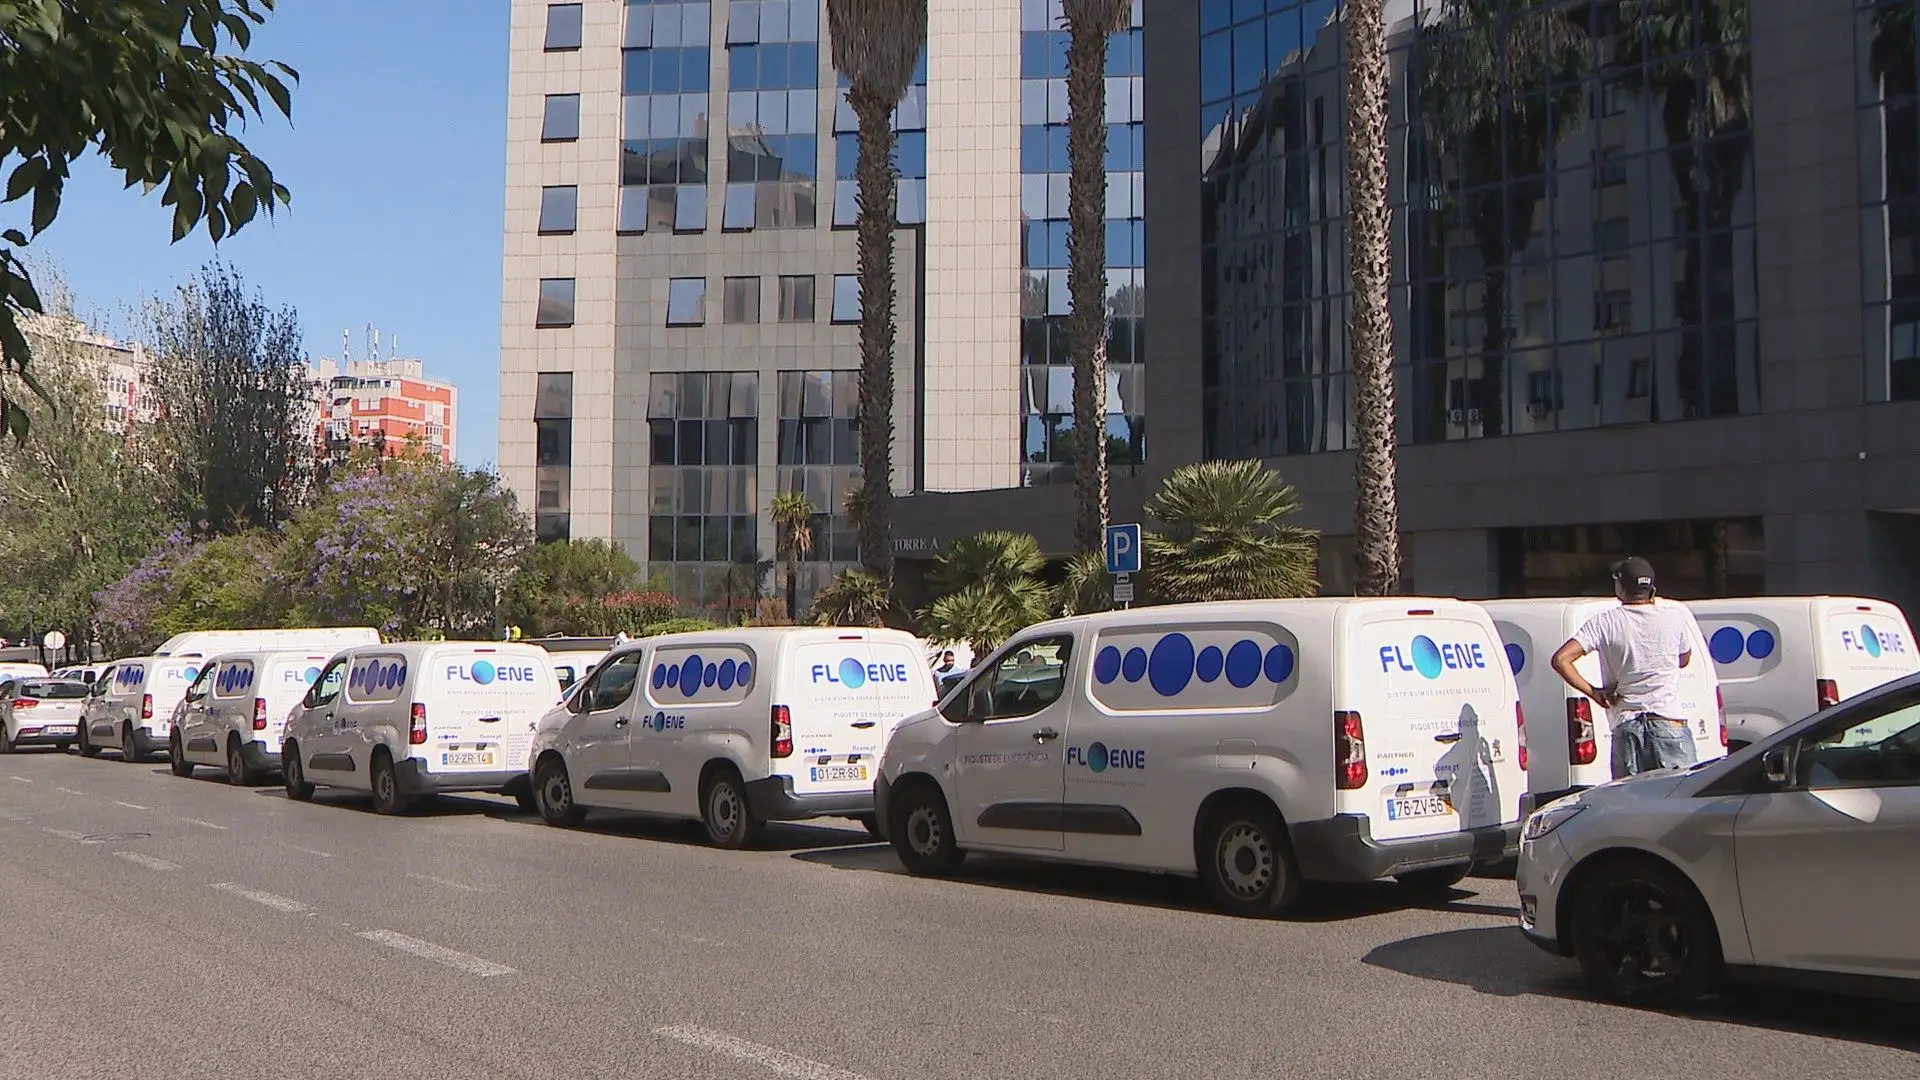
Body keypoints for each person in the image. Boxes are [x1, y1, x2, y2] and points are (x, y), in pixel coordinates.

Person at [1549, 557, 1698, 779]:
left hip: (1627, 725)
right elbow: (1683, 659)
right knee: (1679, 803)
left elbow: (1561, 659)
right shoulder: (1674, 618)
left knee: (1629, 807)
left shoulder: (1604, 622)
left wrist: (1594, 692)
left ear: (1620, 587)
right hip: (1669, 723)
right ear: (1652, 590)